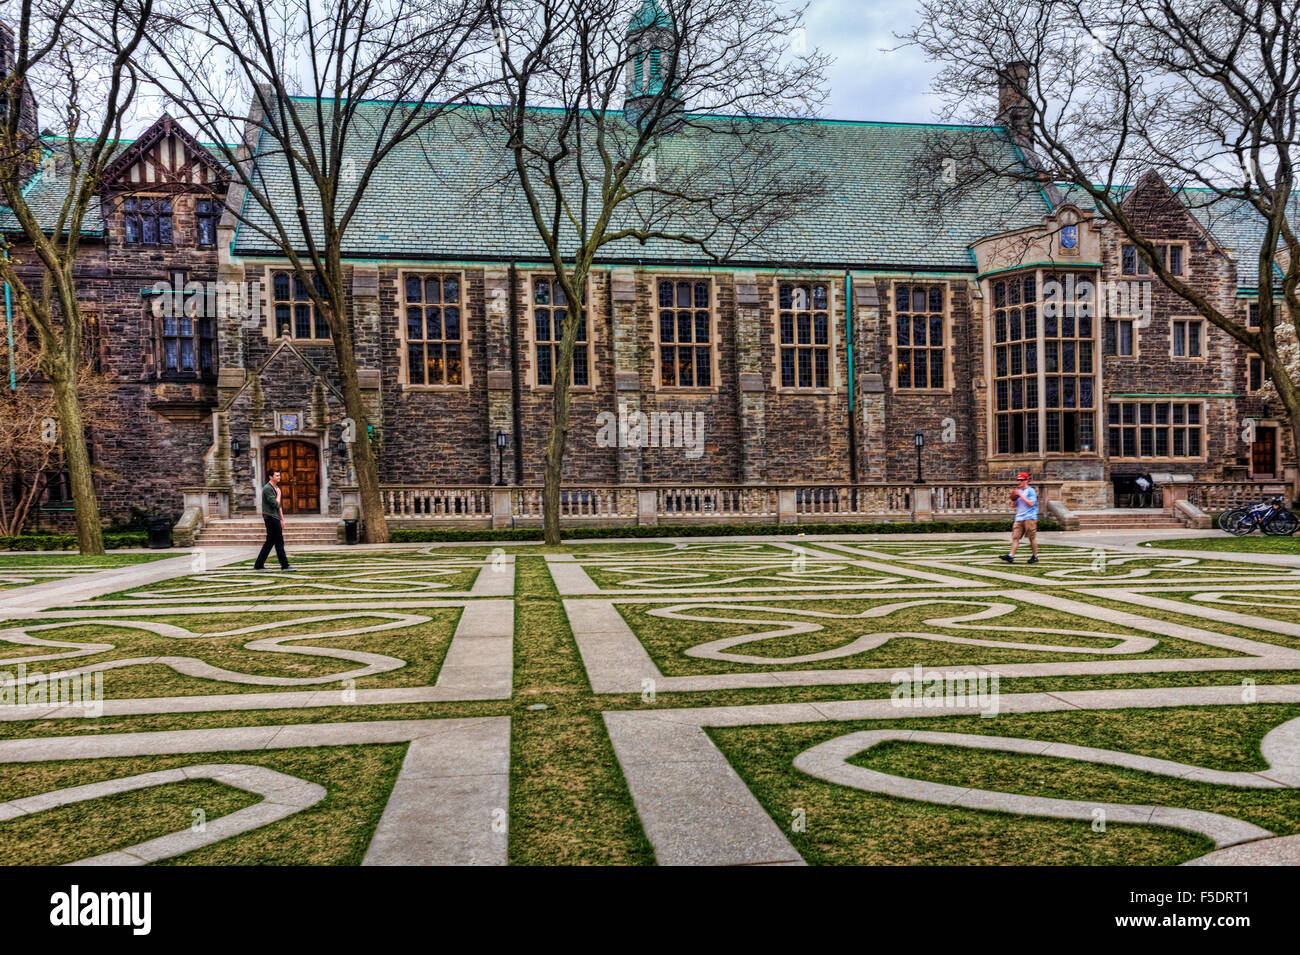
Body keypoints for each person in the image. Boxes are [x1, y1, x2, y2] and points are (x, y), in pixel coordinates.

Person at [254, 468, 297, 572]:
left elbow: (279, 506)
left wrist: (282, 520)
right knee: (279, 541)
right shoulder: (268, 488)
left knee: (270, 542)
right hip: (270, 517)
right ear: (270, 477)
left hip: (275, 517)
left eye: (279, 475)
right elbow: (275, 504)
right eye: (277, 475)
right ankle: (285, 565)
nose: (279, 477)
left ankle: (259, 564)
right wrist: (279, 494)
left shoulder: (276, 487)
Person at [1001, 471, 1038, 564]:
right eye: (1018, 480)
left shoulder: (1031, 491)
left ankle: (1035, 556)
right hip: (1019, 518)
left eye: (1021, 480)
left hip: (1030, 517)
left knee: (1031, 538)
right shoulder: (1019, 492)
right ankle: (1011, 556)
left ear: (1026, 481)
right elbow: (1014, 506)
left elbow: (1031, 504)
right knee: (1015, 537)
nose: (1019, 482)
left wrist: (1021, 495)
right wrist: (1013, 500)